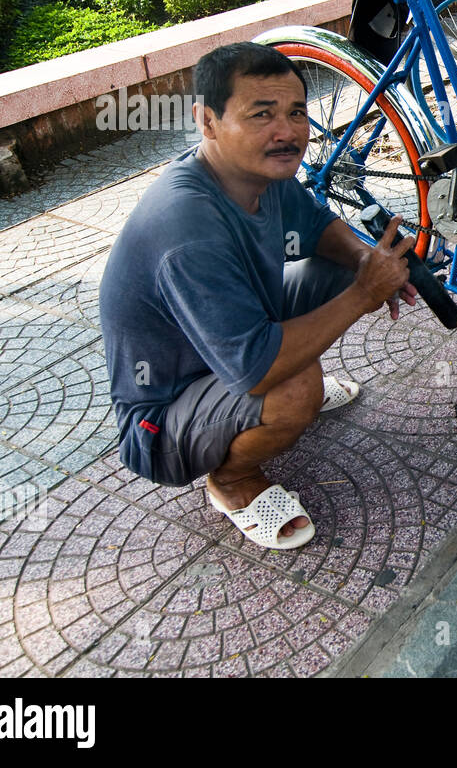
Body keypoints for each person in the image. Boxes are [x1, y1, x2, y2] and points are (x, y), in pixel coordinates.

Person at [99, 43, 417, 550]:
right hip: (161, 419)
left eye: (296, 113)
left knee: (341, 268)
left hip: (225, 344)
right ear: (207, 121)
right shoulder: (186, 227)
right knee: (294, 387)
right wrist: (365, 292)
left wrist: (364, 264)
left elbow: (314, 226)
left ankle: (255, 410)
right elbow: (258, 367)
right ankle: (230, 480)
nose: (287, 132)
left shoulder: (253, 174)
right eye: (261, 114)